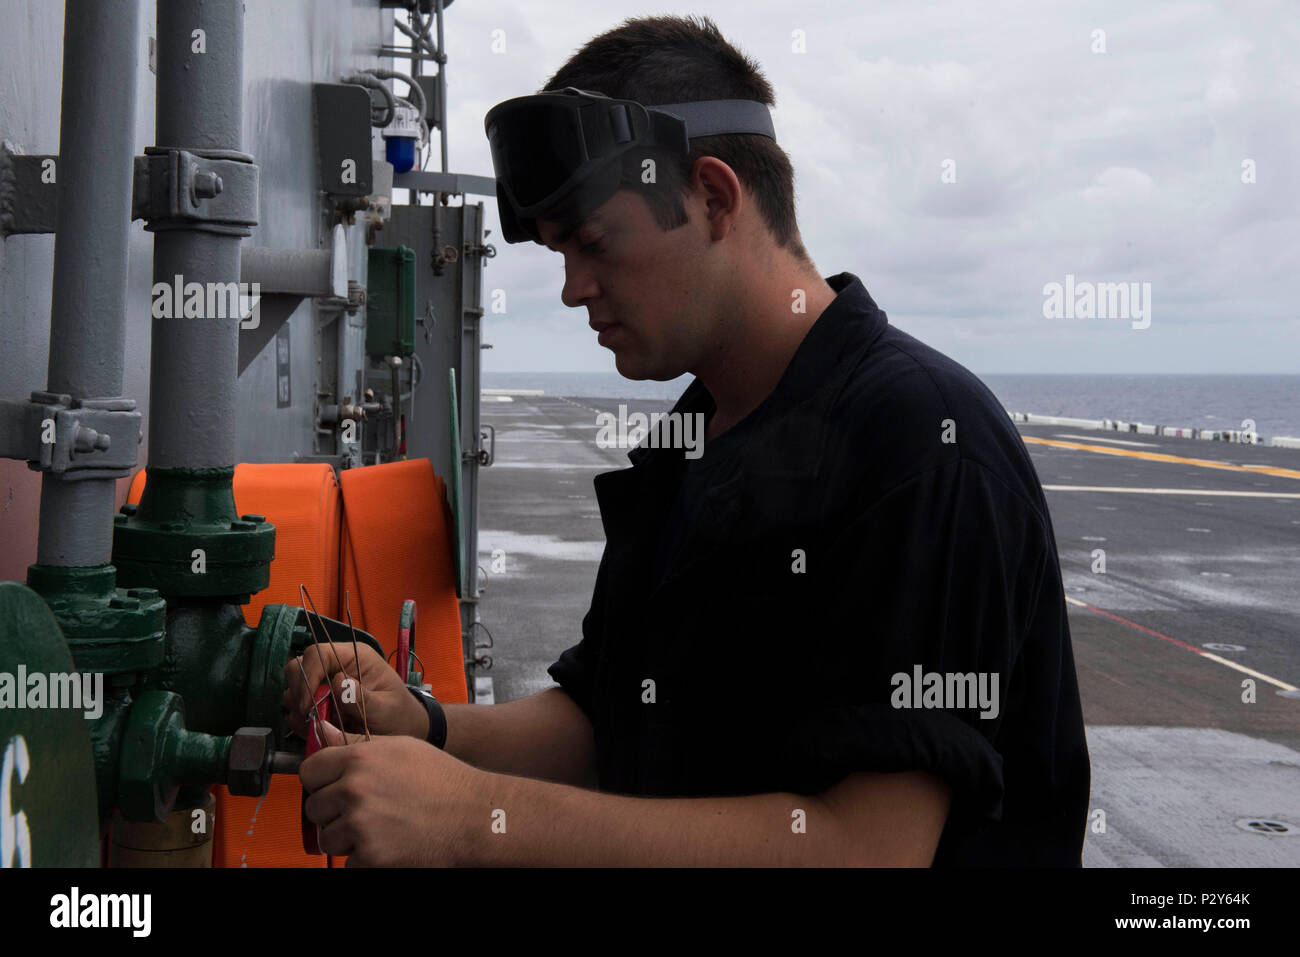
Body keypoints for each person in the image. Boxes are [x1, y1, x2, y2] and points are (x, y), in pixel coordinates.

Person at [286, 14, 1090, 867]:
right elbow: (608, 722)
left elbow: (867, 847)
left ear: (713, 197)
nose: (572, 289)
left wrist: (471, 817)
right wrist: (426, 725)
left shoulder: (923, 440)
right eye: (560, 254)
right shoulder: (699, 434)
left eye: (594, 244)